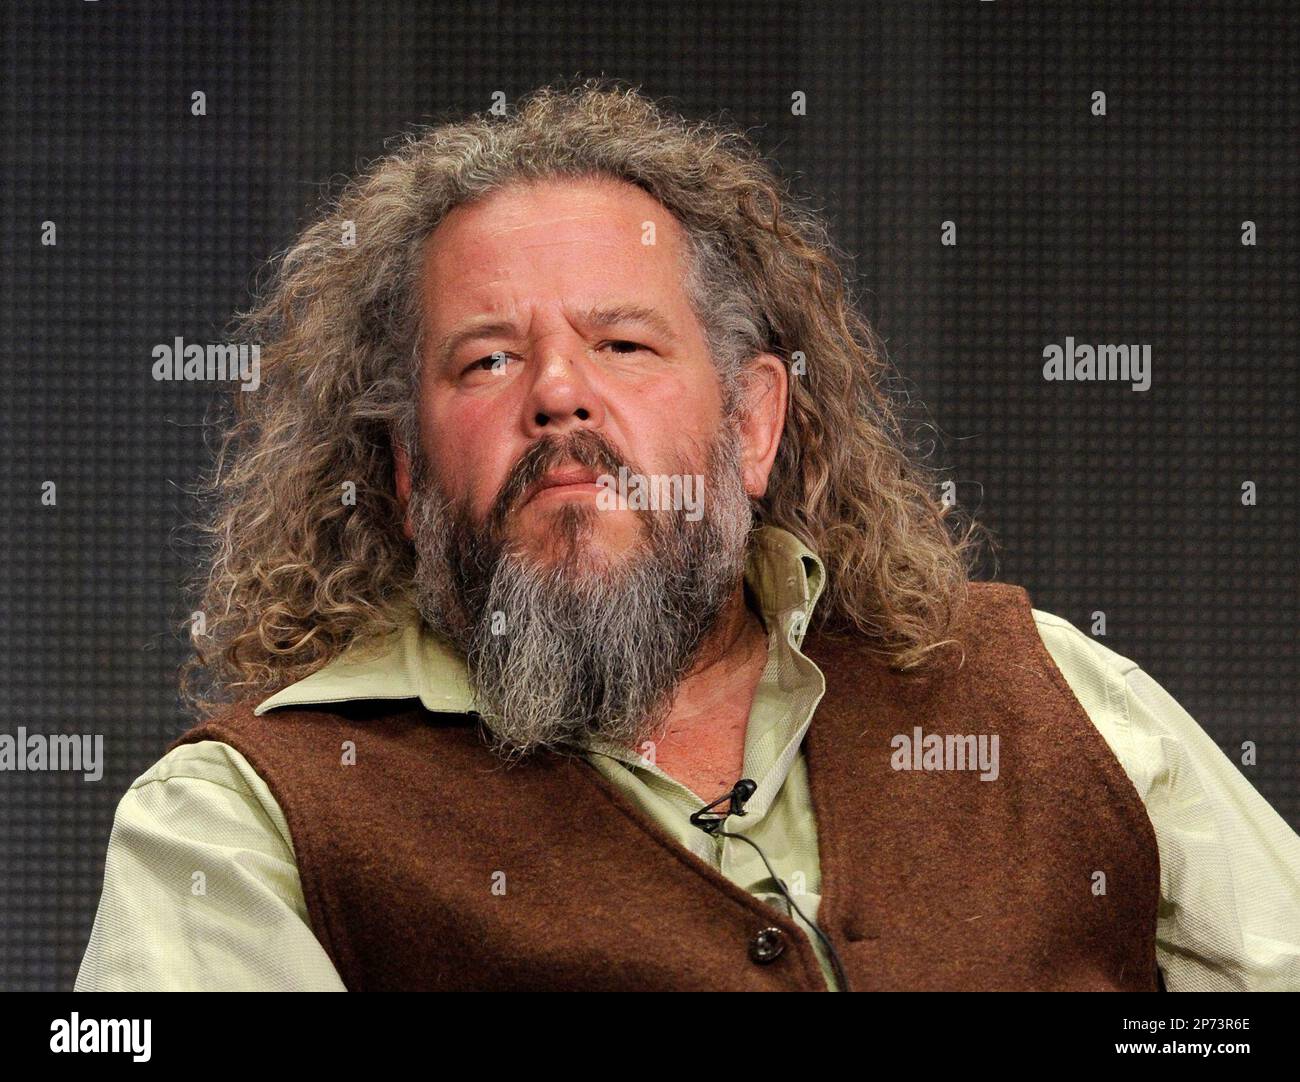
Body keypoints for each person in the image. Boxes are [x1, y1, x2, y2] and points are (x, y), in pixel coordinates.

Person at [76, 80, 1300, 991]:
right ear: (406, 476)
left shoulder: (1043, 689)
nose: (558, 396)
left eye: (622, 344)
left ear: (754, 423)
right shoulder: (244, 819)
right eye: (487, 358)